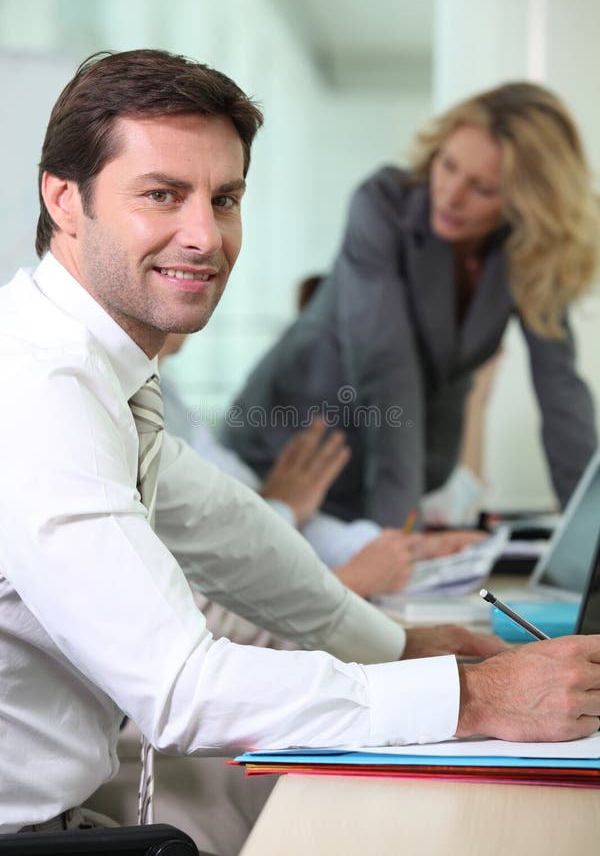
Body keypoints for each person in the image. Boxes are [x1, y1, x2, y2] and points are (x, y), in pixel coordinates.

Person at [2, 50, 600, 845]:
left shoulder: (94, 373)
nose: (204, 236)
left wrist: (393, 642)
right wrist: (477, 698)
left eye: (225, 199)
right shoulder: (40, 392)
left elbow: (228, 533)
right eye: (161, 195)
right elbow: (184, 689)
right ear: (64, 199)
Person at [223, 82, 599, 528]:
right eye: (449, 165)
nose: (451, 195)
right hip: (288, 453)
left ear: (527, 201)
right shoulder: (382, 205)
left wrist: (588, 536)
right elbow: (387, 372)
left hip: (402, 474)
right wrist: (398, 536)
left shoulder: (529, 252)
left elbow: (562, 393)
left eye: (482, 188)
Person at [160, 332, 486, 603]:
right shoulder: (127, 412)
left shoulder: (166, 396)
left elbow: (261, 513)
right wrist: (350, 579)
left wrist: (395, 550)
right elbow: (215, 595)